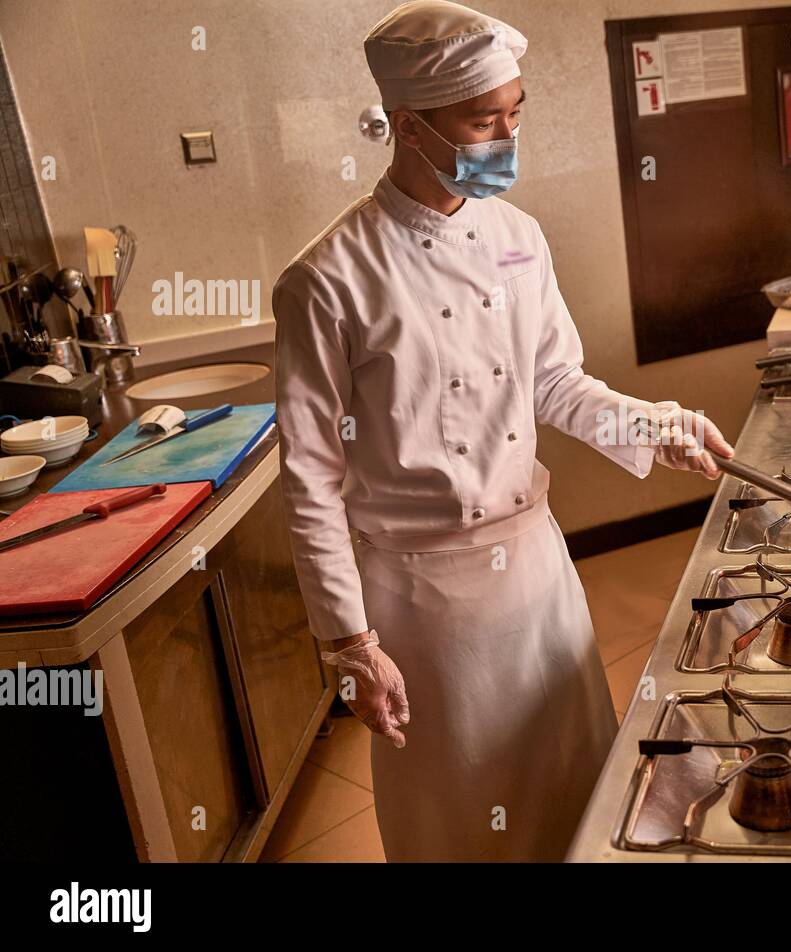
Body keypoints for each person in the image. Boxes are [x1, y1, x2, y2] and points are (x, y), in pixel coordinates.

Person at [272, 0, 734, 861]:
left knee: (574, 793)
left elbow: (554, 382)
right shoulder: (328, 279)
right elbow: (310, 478)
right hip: (423, 605)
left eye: (514, 114)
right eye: (483, 122)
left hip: (533, 573)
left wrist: (655, 424)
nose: (506, 139)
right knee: (461, 818)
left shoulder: (520, 237)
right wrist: (348, 642)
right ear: (409, 127)